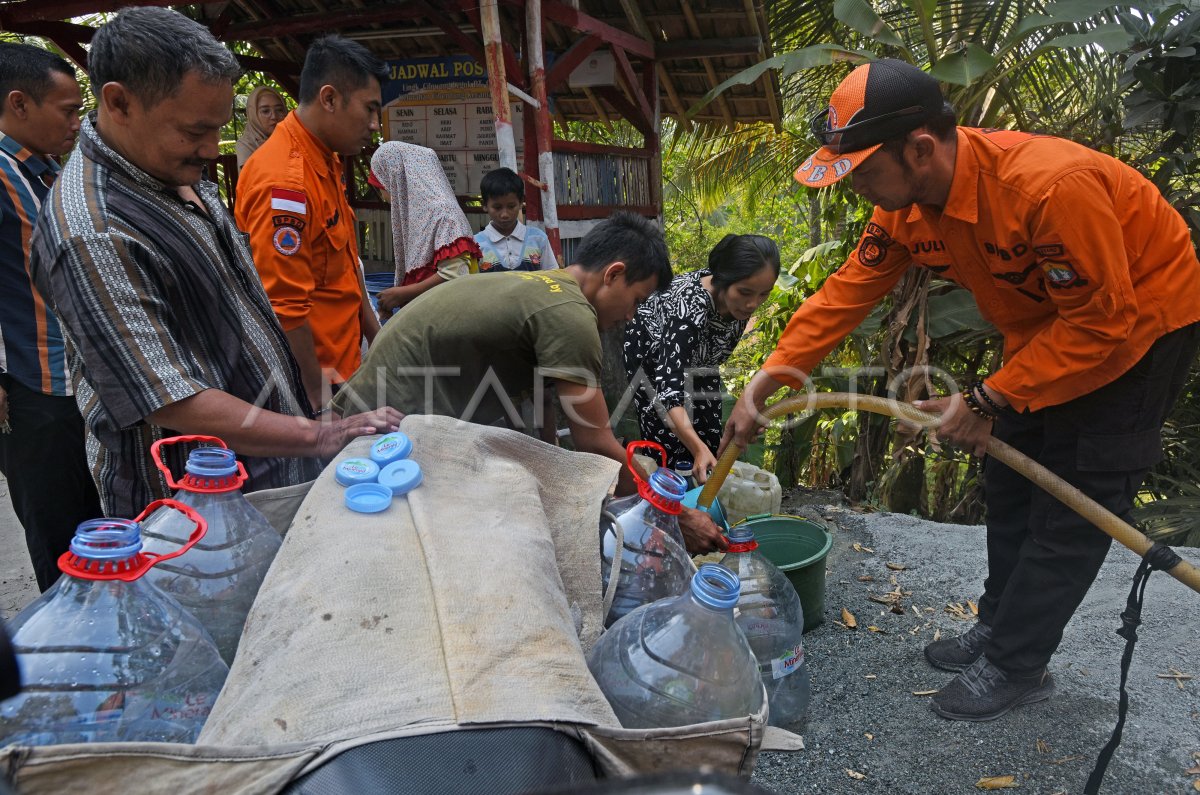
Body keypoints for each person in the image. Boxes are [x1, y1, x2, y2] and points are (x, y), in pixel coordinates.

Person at [721, 58, 1200, 721]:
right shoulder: (904, 209)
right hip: (1043, 328)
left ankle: (1017, 662)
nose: (857, 188)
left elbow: (1104, 320)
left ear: (920, 148)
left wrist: (984, 399)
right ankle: (999, 623)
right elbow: (841, 298)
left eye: (863, 170)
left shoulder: (1048, 189)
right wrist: (765, 384)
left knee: (1074, 500)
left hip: (1140, 327)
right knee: (1009, 475)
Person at [30, 7, 401, 520]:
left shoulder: (170, 170)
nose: (212, 148)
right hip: (191, 498)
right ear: (119, 103)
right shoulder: (91, 229)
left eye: (218, 127)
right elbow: (169, 397)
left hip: (266, 459)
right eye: (195, 131)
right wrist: (319, 430)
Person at [332, 212, 726, 553]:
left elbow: (545, 400)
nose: (631, 316)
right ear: (614, 274)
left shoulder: (547, 286)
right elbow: (596, 444)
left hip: (377, 402)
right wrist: (674, 515)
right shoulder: (571, 316)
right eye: (637, 301)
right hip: (385, 433)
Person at [237, 35, 385, 410]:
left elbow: (347, 269)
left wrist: (377, 340)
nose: (374, 125)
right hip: (312, 388)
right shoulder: (286, 182)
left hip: (346, 367)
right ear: (330, 98)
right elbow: (285, 307)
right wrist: (319, 403)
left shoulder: (324, 158)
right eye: (369, 109)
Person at [0, 42, 99, 591]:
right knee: (59, 536)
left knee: (94, 520)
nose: (76, 122)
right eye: (67, 110)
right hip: (30, 387)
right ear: (19, 104)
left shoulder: (47, 169)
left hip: (77, 379)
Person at [624, 234, 779, 483]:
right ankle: (670, 504)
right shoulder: (689, 308)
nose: (753, 304)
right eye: (745, 292)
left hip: (699, 364)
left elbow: (707, 362)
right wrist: (696, 449)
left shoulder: (736, 304)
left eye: (764, 294)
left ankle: (704, 500)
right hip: (652, 358)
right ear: (723, 280)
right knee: (670, 446)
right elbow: (668, 393)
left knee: (709, 434)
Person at [369, 141, 481, 318]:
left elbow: (456, 274)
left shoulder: (444, 213)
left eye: (380, 185)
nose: (382, 195)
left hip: (451, 321)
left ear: (395, 177)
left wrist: (401, 294)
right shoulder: (420, 214)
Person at [475, 167, 559, 273]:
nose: (504, 215)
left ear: (520, 203)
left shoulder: (538, 239)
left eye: (511, 206)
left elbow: (552, 277)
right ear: (484, 205)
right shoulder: (476, 244)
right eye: (497, 207)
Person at [234, 85, 287, 168]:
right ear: (253, 114)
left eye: (279, 110)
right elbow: (253, 178)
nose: (274, 116)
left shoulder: (292, 139)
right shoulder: (246, 144)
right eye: (265, 111)